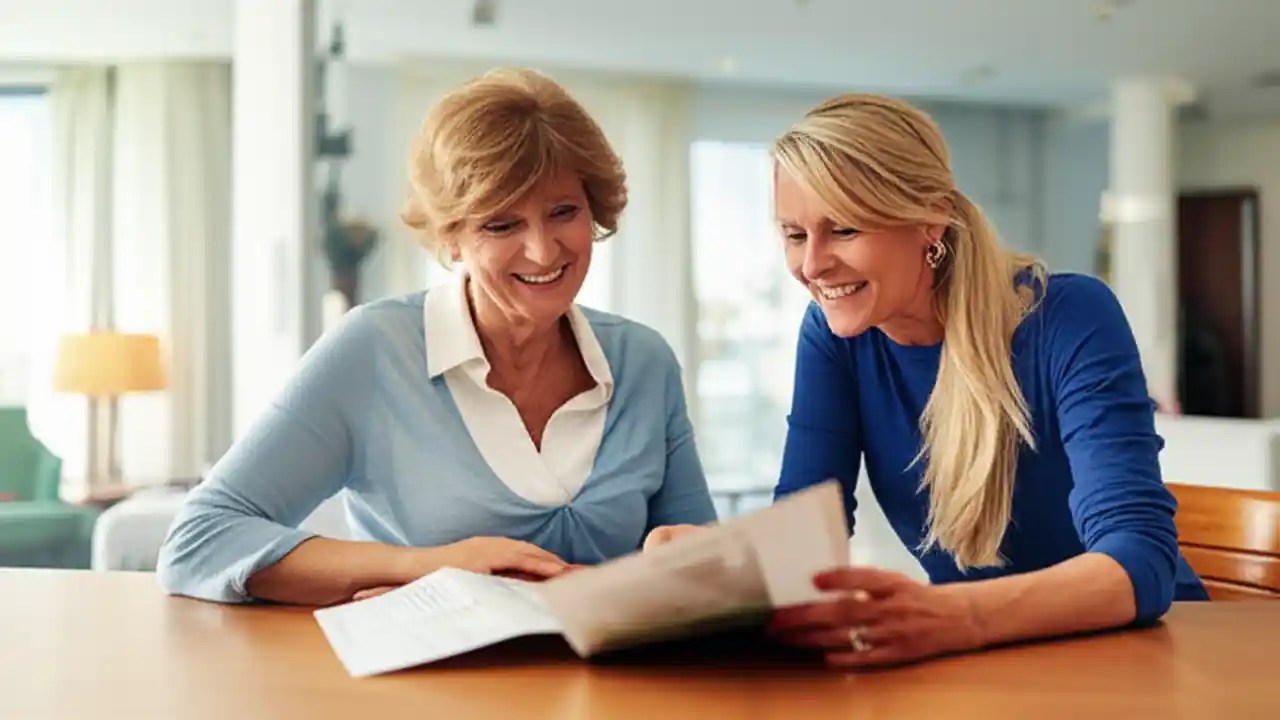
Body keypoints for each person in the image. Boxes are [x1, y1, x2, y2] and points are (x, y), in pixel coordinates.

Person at [650, 93, 1209, 667]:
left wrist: (959, 614)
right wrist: (716, 564)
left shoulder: (1069, 317)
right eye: (794, 235)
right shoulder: (834, 335)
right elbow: (808, 534)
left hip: (1134, 656)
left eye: (843, 229)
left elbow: (1139, 559)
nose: (812, 265)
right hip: (982, 662)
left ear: (930, 219)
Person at [157, 68, 715, 605]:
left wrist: (693, 564)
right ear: (451, 237)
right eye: (502, 224)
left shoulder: (645, 361)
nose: (544, 251)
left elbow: (705, 566)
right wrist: (422, 567)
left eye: (563, 212)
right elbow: (200, 540)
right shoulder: (373, 349)